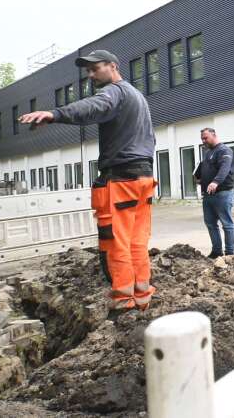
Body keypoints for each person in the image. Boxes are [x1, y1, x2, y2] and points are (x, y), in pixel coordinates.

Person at [19, 50, 158, 311]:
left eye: (96, 69)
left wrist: (55, 114)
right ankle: (142, 298)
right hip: (144, 178)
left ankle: (123, 304)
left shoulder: (114, 92)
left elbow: (94, 106)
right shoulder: (138, 97)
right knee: (137, 242)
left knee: (115, 243)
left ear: (113, 66)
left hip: (120, 180)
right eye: (88, 71)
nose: (91, 75)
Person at [193, 128, 234, 258]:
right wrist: (199, 178)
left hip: (222, 193)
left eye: (206, 138)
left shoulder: (224, 151)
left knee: (226, 224)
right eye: (202, 139)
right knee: (210, 223)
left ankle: (229, 254)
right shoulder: (208, 153)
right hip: (208, 195)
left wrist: (215, 182)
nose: (203, 141)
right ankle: (217, 252)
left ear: (214, 135)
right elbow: (202, 169)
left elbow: (224, 168)